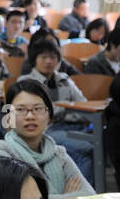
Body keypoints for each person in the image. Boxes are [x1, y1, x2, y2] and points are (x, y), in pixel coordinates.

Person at [0, 79, 94, 196]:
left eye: (37, 109)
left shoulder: (58, 153)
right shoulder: (2, 155)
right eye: (21, 109)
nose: (30, 116)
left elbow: (89, 195)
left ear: (49, 116)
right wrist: (66, 198)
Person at [19, 40, 95, 183]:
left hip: (75, 127)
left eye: (53, 57)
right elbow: (40, 114)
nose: (48, 61)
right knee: (86, 149)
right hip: (48, 130)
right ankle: (84, 194)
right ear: (34, 59)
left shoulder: (64, 80)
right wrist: (68, 107)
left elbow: (84, 106)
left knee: (105, 136)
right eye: (43, 57)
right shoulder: (27, 82)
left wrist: (61, 110)